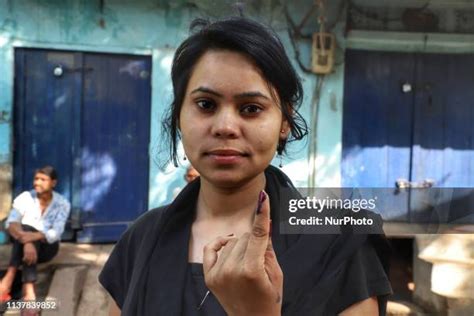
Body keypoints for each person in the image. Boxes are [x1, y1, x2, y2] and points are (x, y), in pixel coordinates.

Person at [99, 17, 392, 315]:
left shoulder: (340, 245)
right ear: (178, 116)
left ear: (285, 123)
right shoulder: (141, 241)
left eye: (251, 109)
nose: (225, 127)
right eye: (206, 104)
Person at [0, 166, 71, 302]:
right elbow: (11, 223)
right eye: (36, 179)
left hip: (47, 249)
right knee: (26, 228)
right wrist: (28, 241)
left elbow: (56, 232)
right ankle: (29, 293)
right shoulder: (25, 197)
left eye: (43, 179)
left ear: (53, 183)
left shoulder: (62, 203)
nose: (37, 183)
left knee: (28, 229)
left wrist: (32, 237)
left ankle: (7, 280)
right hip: (23, 247)